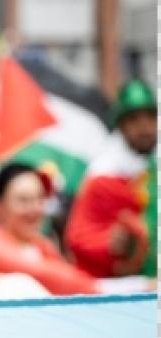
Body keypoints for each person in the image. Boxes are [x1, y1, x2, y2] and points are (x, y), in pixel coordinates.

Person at [64, 78, 157, 278]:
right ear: (122, 126)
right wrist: (111, 243)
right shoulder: (102, 178)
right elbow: (78, 237)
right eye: (135, 120)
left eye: (151, 117)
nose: (145, 127)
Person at [0, 163, 98, 295]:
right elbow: (44, 275)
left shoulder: (44, 245)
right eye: (24, 200)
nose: (34, 209)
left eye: (40, 198)